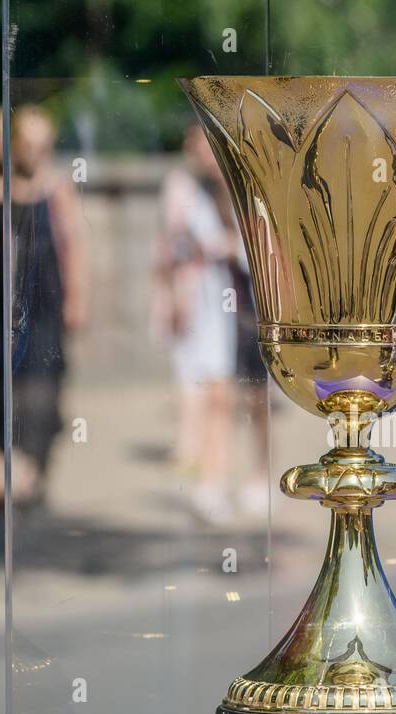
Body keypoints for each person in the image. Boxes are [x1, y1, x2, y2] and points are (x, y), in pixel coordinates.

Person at [0, 105, 86, 506]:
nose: (37, 152)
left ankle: (31, 469)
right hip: (3, 298)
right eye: (29, 143)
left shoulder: (56, 188)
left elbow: (72, 247)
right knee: (0, 383)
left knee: (41, 384)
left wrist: (77, 299)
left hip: (45, 298)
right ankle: (4, 469)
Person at [155, 124, 264, 523]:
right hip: (208, 305)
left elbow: (260, 245)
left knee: (251, 397)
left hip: (244, 302)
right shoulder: (185, 188)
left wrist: (225, 247)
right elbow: (171, 247)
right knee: (213, 395)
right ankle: (211, 480)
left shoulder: (243, 188)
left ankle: (254, 475)